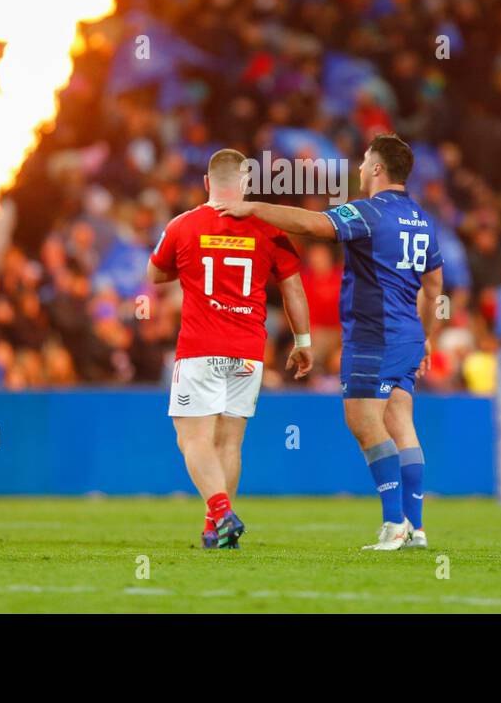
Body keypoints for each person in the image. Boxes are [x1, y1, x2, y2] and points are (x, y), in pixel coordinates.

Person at [216, 133, 443, 551]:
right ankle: (416, 527)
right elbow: (434, 288)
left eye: (363, 161)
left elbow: (312, 225)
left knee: (363, 421)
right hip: (407, 336)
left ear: (377, 168)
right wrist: (425, 337)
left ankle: (394, 525)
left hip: (373, 335)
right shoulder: (423, 220)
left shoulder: (369, 213)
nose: (358, 168)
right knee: (402, 424)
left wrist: (253, 209)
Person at [147, 149, 312, 549]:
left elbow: (154, 274)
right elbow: (292, 287)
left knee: (193, 438)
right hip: (248, 351)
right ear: (246, 185)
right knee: (230, 442)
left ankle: (221, 512)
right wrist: (303, 341)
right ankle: (214, 530)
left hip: (201, 347)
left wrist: (190, 265)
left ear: (207, 183)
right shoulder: (270, 229)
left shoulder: (183, 225)